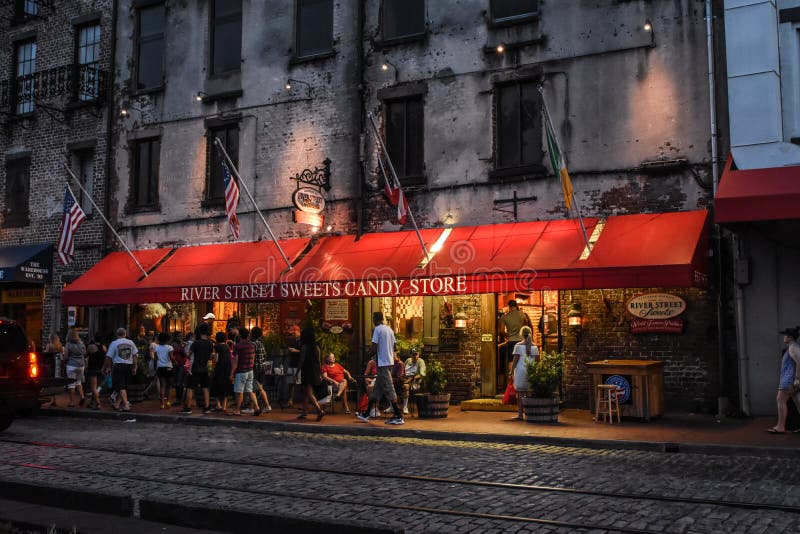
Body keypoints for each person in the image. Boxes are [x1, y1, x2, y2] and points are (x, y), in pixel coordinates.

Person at [357, 311, 404, 425]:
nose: (373, 320)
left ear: (375, 319)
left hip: (382, 363)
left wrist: (367, 356)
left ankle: (398, 416)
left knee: (389, 389)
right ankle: (366, 414)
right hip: (388, 363)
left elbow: (374, 347)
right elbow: (395, 347)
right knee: (376, 391)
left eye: (373, 318)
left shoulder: (377, 329)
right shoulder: (390, 330)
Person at [767, 327, 800, 434]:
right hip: (791, 380)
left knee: (780, 400)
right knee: (798, 402)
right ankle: (780, 426)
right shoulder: (793, 347)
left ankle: (780, 427)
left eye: (785, 335)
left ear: (790, 337)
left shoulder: (793, 347)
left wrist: (797, 379)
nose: (784, 337)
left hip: (789, 380)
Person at [102, 328, 138, 412]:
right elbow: (135, 356)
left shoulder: (114, 343)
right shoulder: (131, 342)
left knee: (121, 386)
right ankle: (117, 404)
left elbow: (108, 357)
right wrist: (135, 367)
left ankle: (126, 405)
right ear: (125, 334)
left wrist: (106, 367)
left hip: (119, 365)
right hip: (129, 365)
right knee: (123, 386)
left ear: (117, 335)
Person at [230, 328, 262, 416]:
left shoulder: (237, 346)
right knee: (249, 390)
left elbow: (235, 361)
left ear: (240, 335)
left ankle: (237, 410)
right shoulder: (252, 345)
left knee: (239, 392)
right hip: (250, 371)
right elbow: (253, 358)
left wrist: (231, 373)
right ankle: (257, 408)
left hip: (241, 371)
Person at [510, 325, 539, 421]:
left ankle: (520, 415)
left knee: (520, 394)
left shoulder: (518, 346)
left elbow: (515, 361)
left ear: (522, 334)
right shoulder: (535, 347)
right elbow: (537, 362)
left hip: (520, 371)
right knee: (529, 393)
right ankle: (529, 414)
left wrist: (511, 371)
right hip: (530, 371)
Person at [182, 323, 213, 415]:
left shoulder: (195, 343)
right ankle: (206, 407)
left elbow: (189, 355)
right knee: (205, 387)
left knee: (190, 387)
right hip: (205, 368)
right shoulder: (210, 343)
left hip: (195, 368)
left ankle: (188, 408)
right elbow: (210, 356)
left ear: (199, 331)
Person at [298, 324, 325, 421]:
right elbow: (319, 361)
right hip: (315, 371)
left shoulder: (305, 347)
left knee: (308, 392)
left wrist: (297, 372)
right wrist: (320, 373)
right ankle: (304, 412)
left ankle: (319, 411)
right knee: (306, 391)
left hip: (307, 371)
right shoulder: (316, 347)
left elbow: (302, 360)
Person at [500, 300, 525, 381]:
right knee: (521, 359)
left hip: (511, 341)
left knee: (511, 360)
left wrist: (507, 335)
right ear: (516, 305)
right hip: (521, 341)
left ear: (509, 306)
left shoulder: (505, 317)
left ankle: (512, 379)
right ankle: (521, 379)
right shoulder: (522, 315)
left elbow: (501, 331)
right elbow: (526, 327)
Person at [250, 327, 273, 413]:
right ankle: (264, 406)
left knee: (253, 388)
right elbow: (265, 356)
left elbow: (252, 357)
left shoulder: (252, 344)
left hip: (255, 368)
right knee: (259, 388)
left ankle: (255, 407)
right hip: (262, 368)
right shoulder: (261, 344)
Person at [210, 331, 233, 412]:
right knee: (225, 386)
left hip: (219, 368)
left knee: (216, 386)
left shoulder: (217, 346)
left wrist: (212, 356)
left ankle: (218, 405)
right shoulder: (227, 346)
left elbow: (216, 359)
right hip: (227, 368)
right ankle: (224, 406)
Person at [63, 329, 87, 407]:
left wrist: (64, 362)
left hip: (71, 365)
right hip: (81, 365)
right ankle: (82, 396)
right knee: (78, 382)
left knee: (71, 384)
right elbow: (84, 353)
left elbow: (66, 356)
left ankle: (72, 402)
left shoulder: (68, 344)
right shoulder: (81, 343)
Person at [152, 332, 174, 409]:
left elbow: (155, 359)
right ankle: (168, 402)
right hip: (168, 367)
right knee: (170, 385)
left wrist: (155, 368)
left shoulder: (157, 347)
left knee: (162, 385)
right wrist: (175, 362)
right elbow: (171, 357)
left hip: (160, 367)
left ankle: (162, 404)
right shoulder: (170, 347)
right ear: (168, 339)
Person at [402, 348, 426, 414]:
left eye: (416, 354)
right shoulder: (408, 360)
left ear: (418, 354)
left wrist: (411, 379)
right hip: (404, 378)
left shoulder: (421, 361)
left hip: (414, 381)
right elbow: (403, 370)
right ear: (411, 355)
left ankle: (405, 407)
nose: (415, 356)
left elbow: (421, 374)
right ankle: (392, 406)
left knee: (405, 386)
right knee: (390, 384)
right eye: (413, 354)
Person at [85, 338, 106, 410]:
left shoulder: (91, 346)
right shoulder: (103, 347)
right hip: (100, 369)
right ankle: (91, 402)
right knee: (96, 388)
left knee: (93, 388)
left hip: (92, 369)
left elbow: (85, 355)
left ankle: (98, 403)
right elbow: (105, 357)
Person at [171, 332, 187, 407]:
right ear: (175, 337)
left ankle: (179, 399)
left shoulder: (180, 344)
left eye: (181, 336)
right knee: (179, 382)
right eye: (179, 336)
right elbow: (183, 353)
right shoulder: (174, 344)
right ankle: (179, 399)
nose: (180, 337)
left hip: (181, 364)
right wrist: (182, 347)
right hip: (177, 364)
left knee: (180, 382)